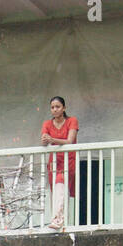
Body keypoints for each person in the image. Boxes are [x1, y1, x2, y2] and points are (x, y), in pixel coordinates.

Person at [41, 95, 78, 230]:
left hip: (69, 160)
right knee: (56, 191)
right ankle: (57, 219)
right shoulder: (47, 123)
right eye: (52, 107)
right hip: (54, 162)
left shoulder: (72, 121)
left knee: (62, 186)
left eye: (58, 107)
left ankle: (58, 219)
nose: (55, 110)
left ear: (64, 108)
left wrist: (52, 139)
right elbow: (44, 140)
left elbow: (70, 140)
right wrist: (45, 140)